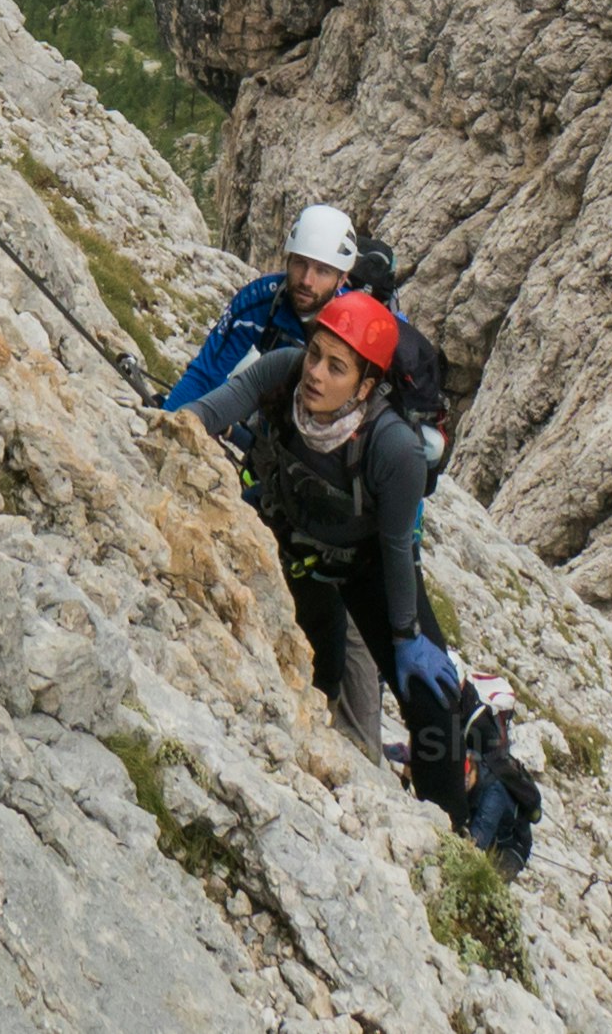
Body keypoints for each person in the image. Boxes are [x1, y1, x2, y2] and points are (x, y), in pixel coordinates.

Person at [180, 287, 440, 763]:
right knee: (324, 655)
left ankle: (394, 771)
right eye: (314, 355)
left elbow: (398, 545)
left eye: (335, 366)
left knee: (414, 690)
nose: (315, 374)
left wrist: (406, 636)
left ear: (365, 386)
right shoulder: (284, 372)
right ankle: (326, 736)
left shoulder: (395, 447)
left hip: (360, 564)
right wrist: (169, 424)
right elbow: (212, 408)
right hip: (291, 539)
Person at [157, 200, 371, 412]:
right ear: (288, 261)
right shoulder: (259, 300)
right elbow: (206, 374)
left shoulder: (357, 327)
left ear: (342, 280)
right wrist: (168, 417)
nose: (307, 280)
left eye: (322, 271)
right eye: (300, 263)